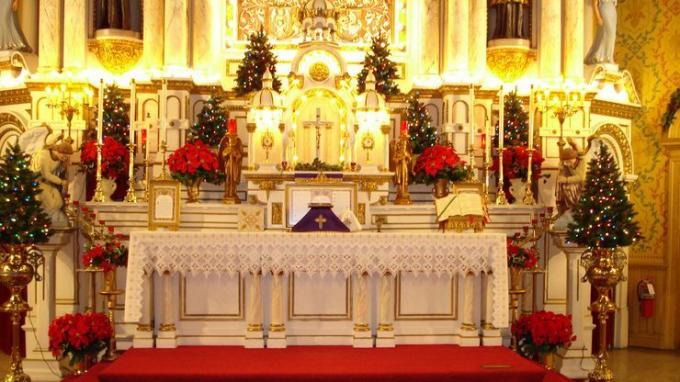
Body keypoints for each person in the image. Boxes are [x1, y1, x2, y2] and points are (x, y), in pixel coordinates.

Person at [585, 0, 618, 65]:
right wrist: (598, 18)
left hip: (612, 11)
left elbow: (615, 4)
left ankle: (609, 57)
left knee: (612, 34)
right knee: (607, 32)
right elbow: (594, 4)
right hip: (604, 10)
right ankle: (599, 56)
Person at [218, 132, 243, 204]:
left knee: (233, 180)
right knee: (228, 179)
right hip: (228, 166)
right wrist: (227, 153)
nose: (231, 141)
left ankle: (233, 193)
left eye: (233, 140)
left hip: (234, 166)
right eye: (230, 140)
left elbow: (239, 156)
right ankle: (227, 193)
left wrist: (235, 154)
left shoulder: (236, 149)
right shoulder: (227, 149)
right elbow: (223, 156)